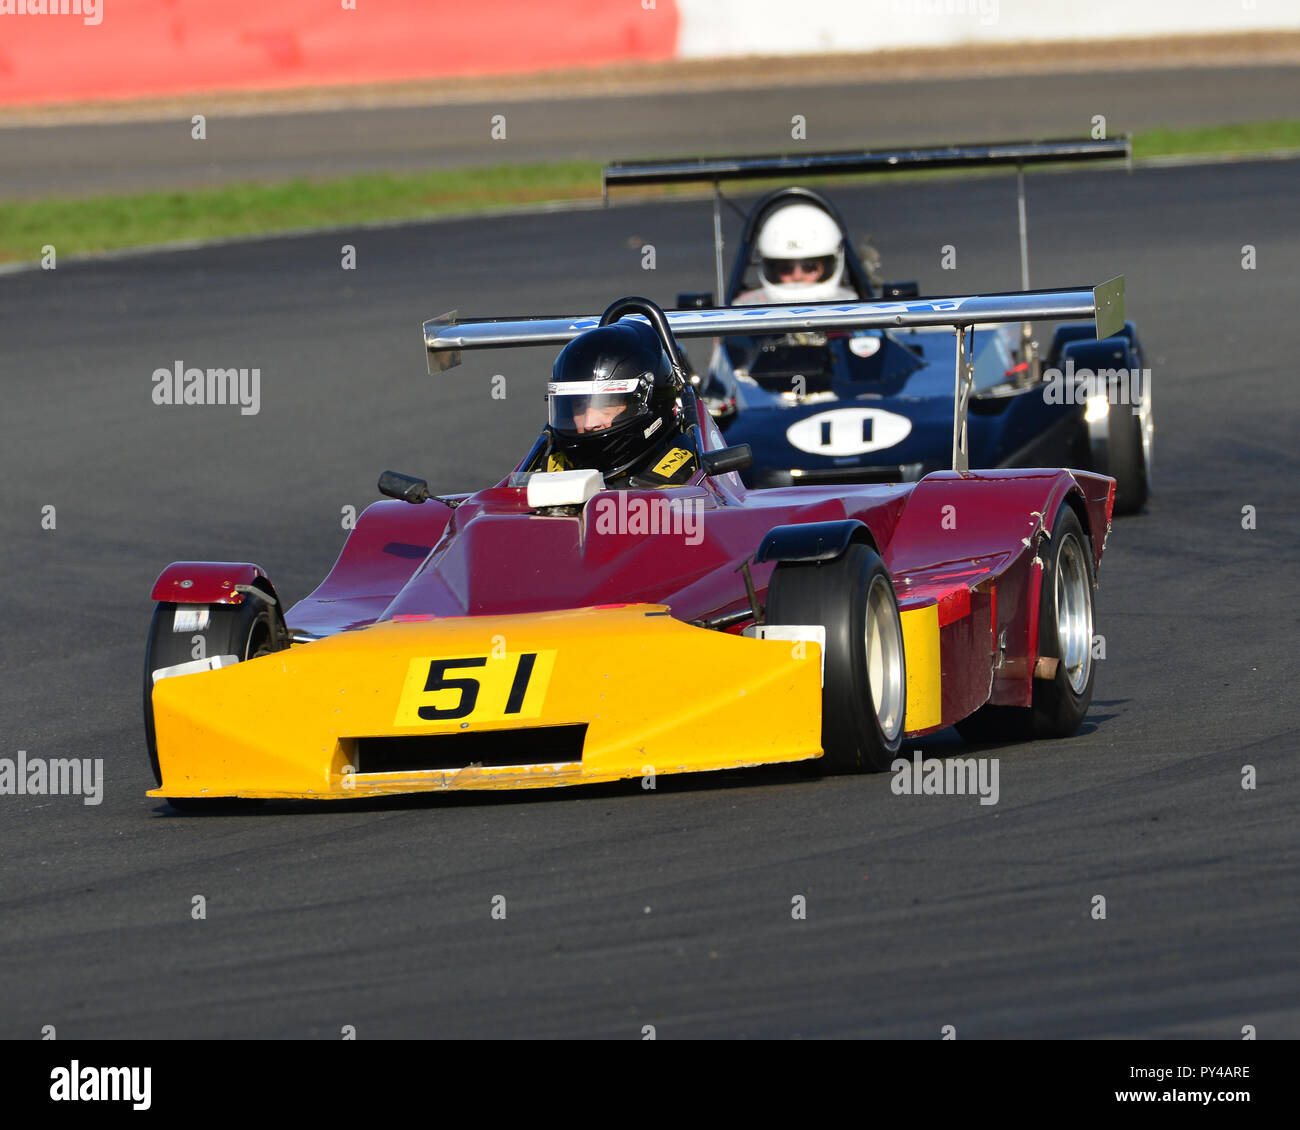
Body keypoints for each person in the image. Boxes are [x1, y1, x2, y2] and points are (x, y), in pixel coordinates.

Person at [536, 320, 697, 487]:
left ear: (647, 402)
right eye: (579, 406)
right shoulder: (552, 464)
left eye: (605, 406)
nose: (590, 423)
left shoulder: (687, 475)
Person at [735, 201, 859, 305]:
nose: (797, 276)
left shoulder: (854, 308)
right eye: (786, 269)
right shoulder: (744, 310)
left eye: (810, 268)